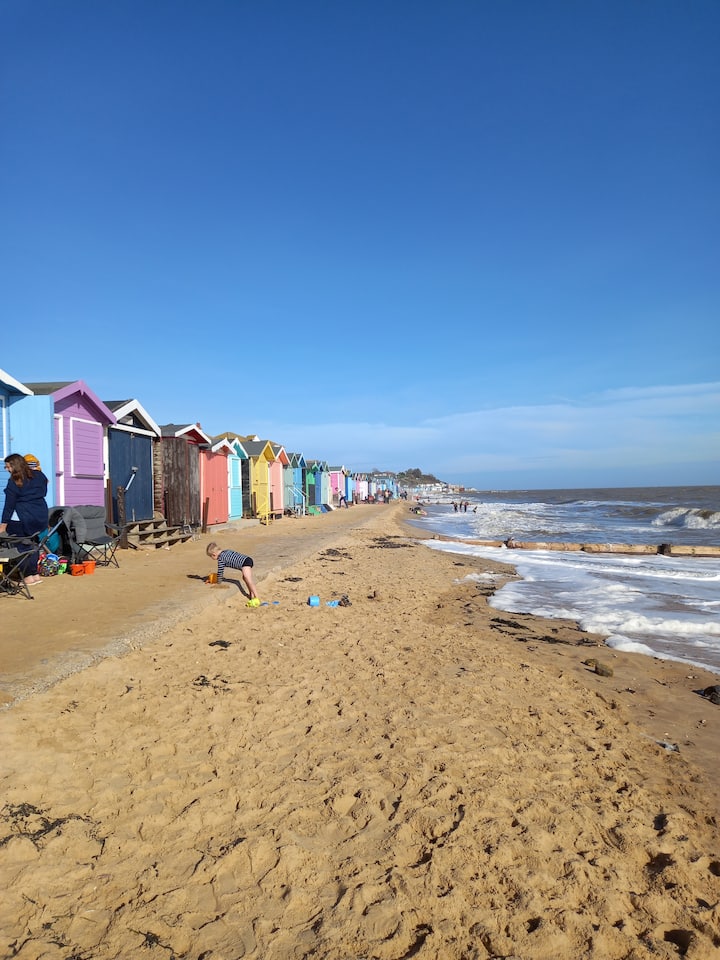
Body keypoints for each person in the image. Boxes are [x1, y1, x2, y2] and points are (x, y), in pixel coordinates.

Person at [1, 453, 50, 585]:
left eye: (8, 467)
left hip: (22, 517)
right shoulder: (39, 475)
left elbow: (9, 505)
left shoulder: (15, 480)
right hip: (40, 516)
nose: (7, 470)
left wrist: (3, 524)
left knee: (20, 546)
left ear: (15, 466)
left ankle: (27, 576)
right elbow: (44, 491)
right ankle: (35, 574)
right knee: (34, 544)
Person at [206, 541, 259, 605]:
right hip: (247, 559)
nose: (212, 558)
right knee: (245, 578)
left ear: (214, 554)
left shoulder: (220, 559)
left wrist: (218, 582)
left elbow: (220, 572)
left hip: (244, 563)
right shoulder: (227, 551)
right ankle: (252, 595)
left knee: (248, 579)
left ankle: (257, 598)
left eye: (211, 557)